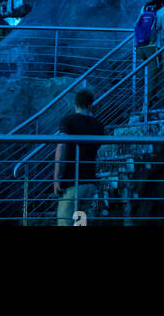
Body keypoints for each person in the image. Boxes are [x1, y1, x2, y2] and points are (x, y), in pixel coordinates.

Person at [54, 88, 105, 226]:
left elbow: (61, 147)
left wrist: (56, 179)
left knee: (65, 223)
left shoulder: (68, 121)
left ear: (75, 104)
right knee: (81, 224)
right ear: (90, 104)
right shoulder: (98, 126)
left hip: (72, 185)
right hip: (89, 185)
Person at [133, 0, 164, 103]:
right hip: (153, 47)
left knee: (154, 70)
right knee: (154, 73)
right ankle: (147, 104)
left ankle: (149, 98)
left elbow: (137, 24)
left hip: (140, 46)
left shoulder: (145, 7)